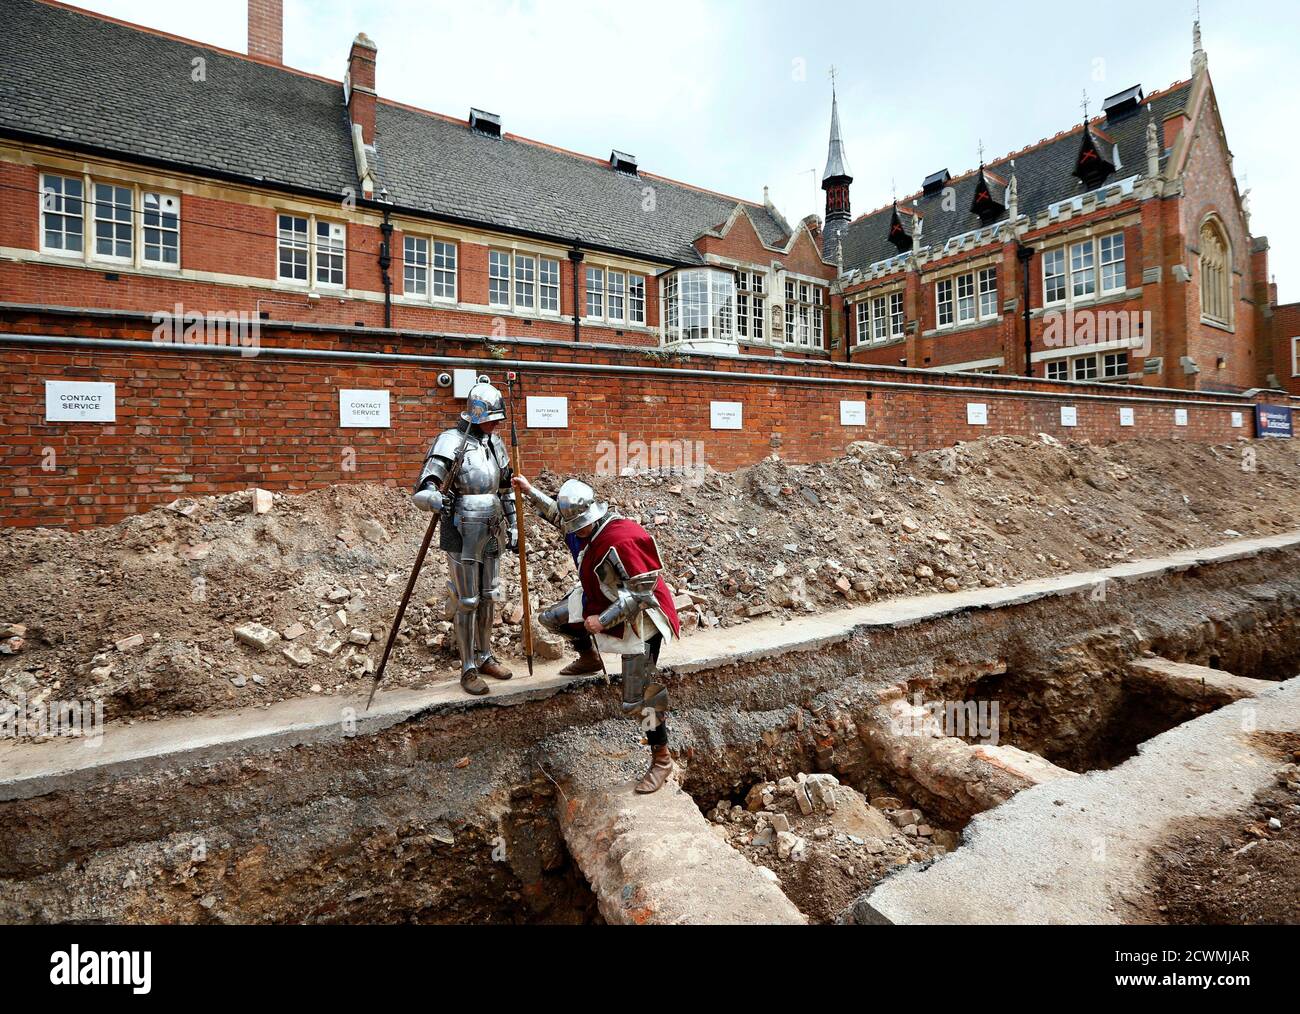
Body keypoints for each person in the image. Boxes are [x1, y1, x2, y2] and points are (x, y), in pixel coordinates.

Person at [512, 475, 680, 793]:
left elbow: (642, 594)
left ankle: (661, 758)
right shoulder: (579, 529)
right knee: (554, 619)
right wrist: (529, 491)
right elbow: (555, 515)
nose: (574, 530)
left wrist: (602, 621)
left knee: (639, 694)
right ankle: (588, 657)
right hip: (602, 596)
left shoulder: (623, 538)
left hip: (642, 618)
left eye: (578, 524)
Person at [413, 382, 517, 696]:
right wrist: (433, 498)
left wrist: (512, 524)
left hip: (493, 522)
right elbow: (424, 487)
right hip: (461, 524)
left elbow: (505, 487)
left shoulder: (496, 443)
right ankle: (468, 667)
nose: (497, 423)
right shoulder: (451, 441)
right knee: (468, 599)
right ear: (476, 413)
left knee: (490, 594)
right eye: (493, 417)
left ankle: (486, 656)